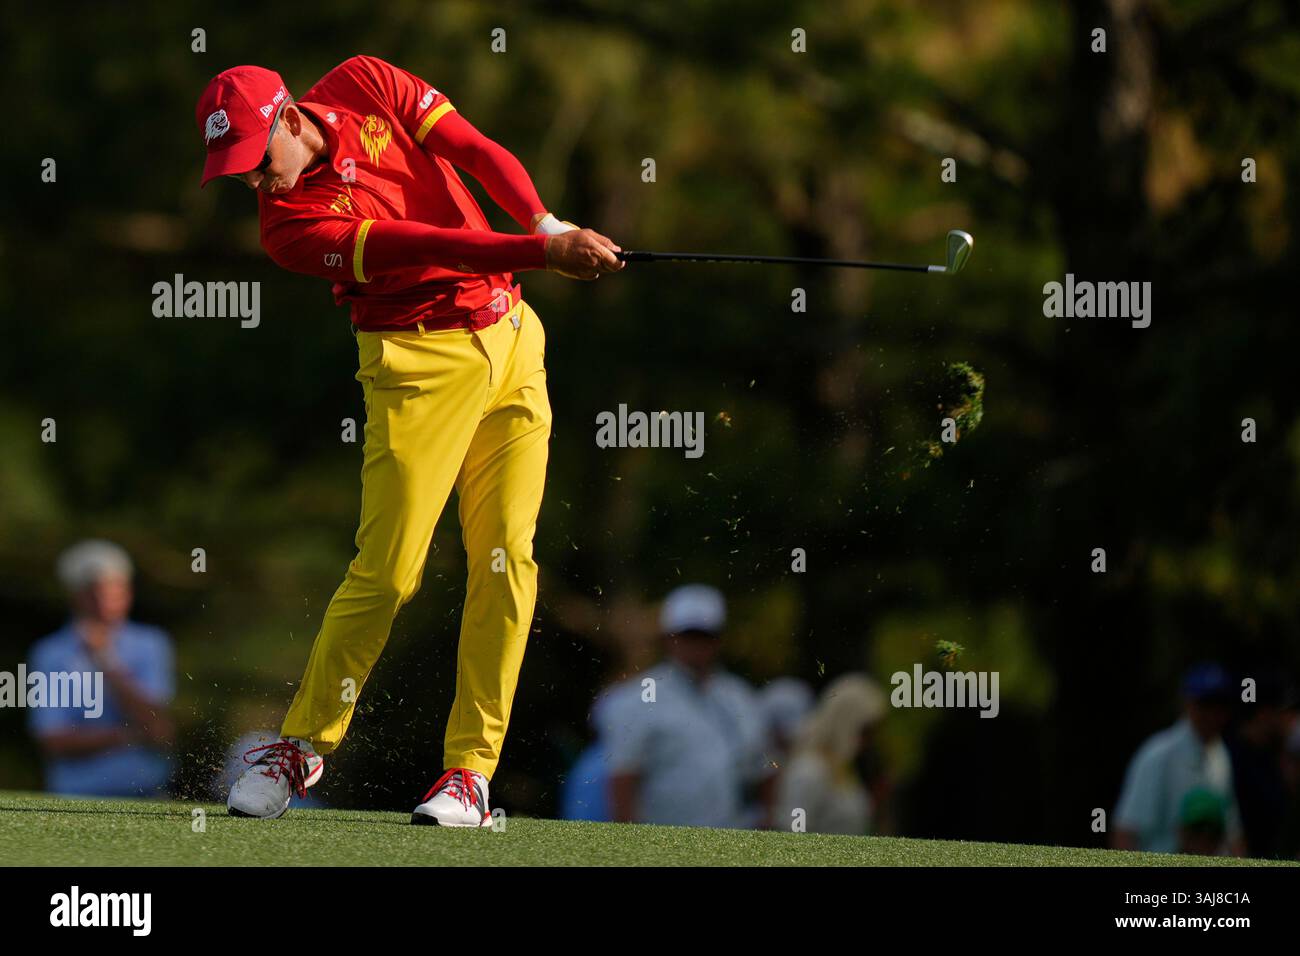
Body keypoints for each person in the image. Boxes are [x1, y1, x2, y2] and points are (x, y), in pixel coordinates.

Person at [195, 56, 623, 825]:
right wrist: (545, 254)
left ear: (289, 119)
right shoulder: (289, 228)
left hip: (514, 340)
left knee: (507, 560)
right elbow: (427, 246)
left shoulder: (366, 82)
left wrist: (547, 224)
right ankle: (300, 747)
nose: (259, 187)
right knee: (390, 571)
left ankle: (470, 775)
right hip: (416, 365)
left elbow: (476, 150)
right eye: (240, 180)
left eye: (259, 165)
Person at [596, 585, 771, 828]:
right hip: (662, 846)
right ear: (669, 638)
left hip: (730, 841)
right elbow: (623, 781)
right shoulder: (636, 699)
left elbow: (764, 769)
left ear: (719, 640)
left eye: (704, 636)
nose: (696, 645)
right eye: (688, 635)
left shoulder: (740, 697)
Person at [27, 541, 175, 797]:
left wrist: (105, 661)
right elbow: (53, 739)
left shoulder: (152, 644)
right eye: (95, 592)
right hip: (76, 794)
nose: (105, 602)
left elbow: (158, 728)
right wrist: (130, 735)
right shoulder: (50, 653)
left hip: (148, 792)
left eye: (115, 591)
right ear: (76, 595)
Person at [1111, 664, 1245, 855]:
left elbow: (1233, 833)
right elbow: (1126, 829)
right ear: (1188, 703)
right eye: (1205, 704)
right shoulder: (1157, 754)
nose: (1212, 714)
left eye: (1220, 705)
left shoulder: (1222, 755)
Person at [774, 673, 887, 835]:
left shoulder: (842, 769)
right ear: (847, 723)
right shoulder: (810, 770)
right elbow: (790, 836)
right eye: (866, 732)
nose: (870, 741)